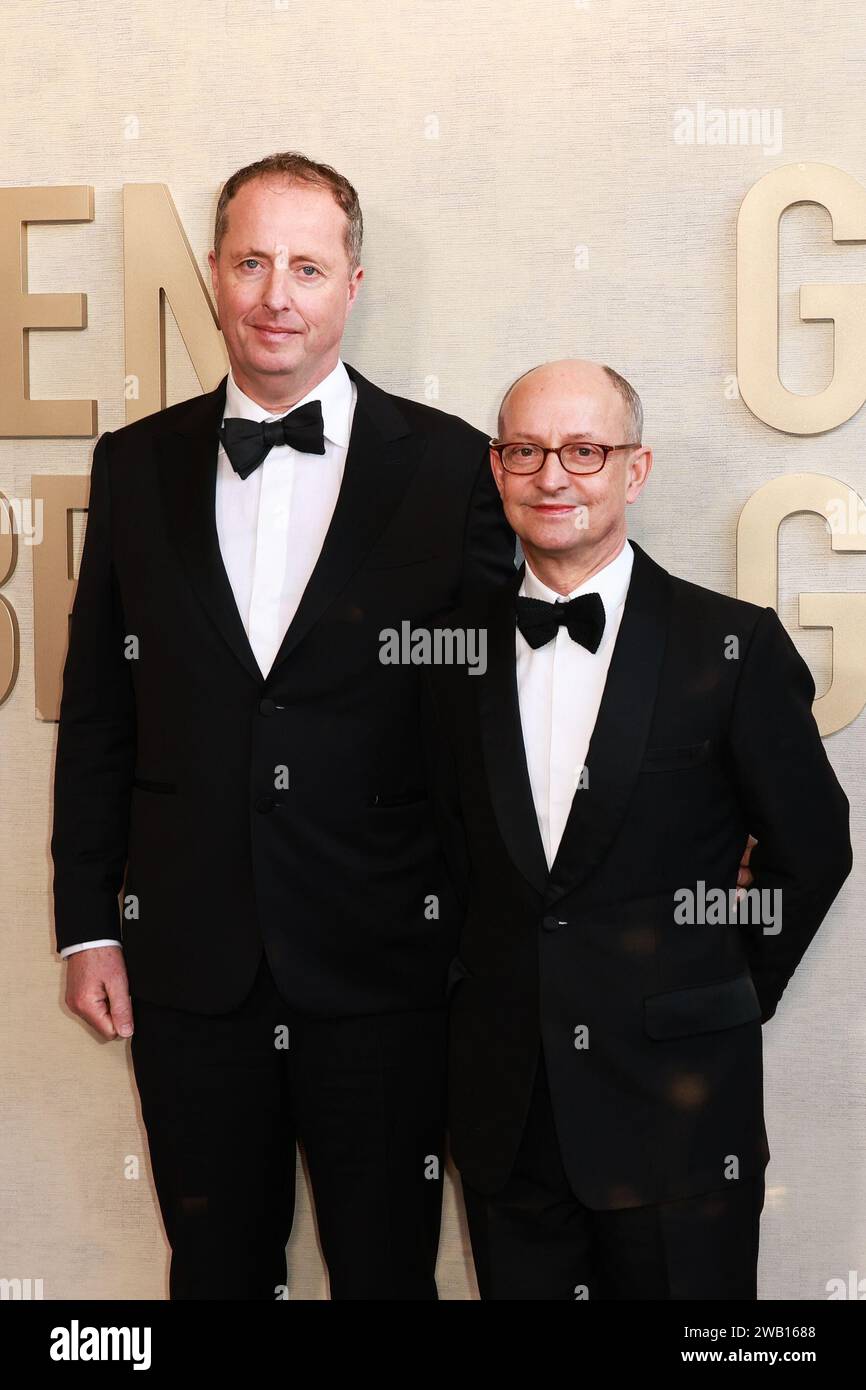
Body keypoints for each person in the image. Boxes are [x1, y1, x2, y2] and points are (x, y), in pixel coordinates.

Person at [50, 151, 516, 1300]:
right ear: (213, 273)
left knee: (384, 1272)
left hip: (386, 960)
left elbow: (490, 727)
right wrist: (84, 922)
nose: (276, 294)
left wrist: (486, 936)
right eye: (252, 261)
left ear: (351, 284)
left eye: (306, 266)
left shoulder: (453, 465)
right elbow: (101, 708)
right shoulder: (134, 464)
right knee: (213, 1267)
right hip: (186, 957)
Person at [422, 358, 853, 1300]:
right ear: (497, 471)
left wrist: (726, 987)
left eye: (584, 450)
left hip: (681, 1113)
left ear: (636, 469)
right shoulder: (448, 652)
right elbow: (435, 854)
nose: (552, 476)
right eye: (525, 451)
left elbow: (815, 845)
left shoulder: (731, 645)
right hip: (507, 1117)